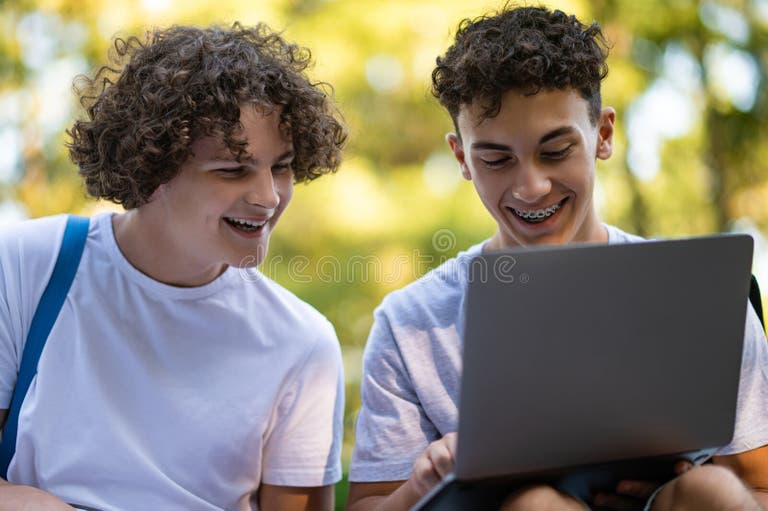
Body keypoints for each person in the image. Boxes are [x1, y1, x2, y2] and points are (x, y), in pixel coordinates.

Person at [346, 5, 768, 511]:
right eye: (496, 159)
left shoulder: (698, 293)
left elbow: (758, 485)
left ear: (603, 136)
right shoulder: (410, 325)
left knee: (715, 488)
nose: (531, 187)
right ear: (461, 158)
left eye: (555, 150)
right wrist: (422, 484)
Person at [0, 23, 346, 510]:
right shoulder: (26, 266)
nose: (269, 197)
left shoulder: (302, 342)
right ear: (153, 167)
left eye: (282, 166)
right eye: (232, 170)